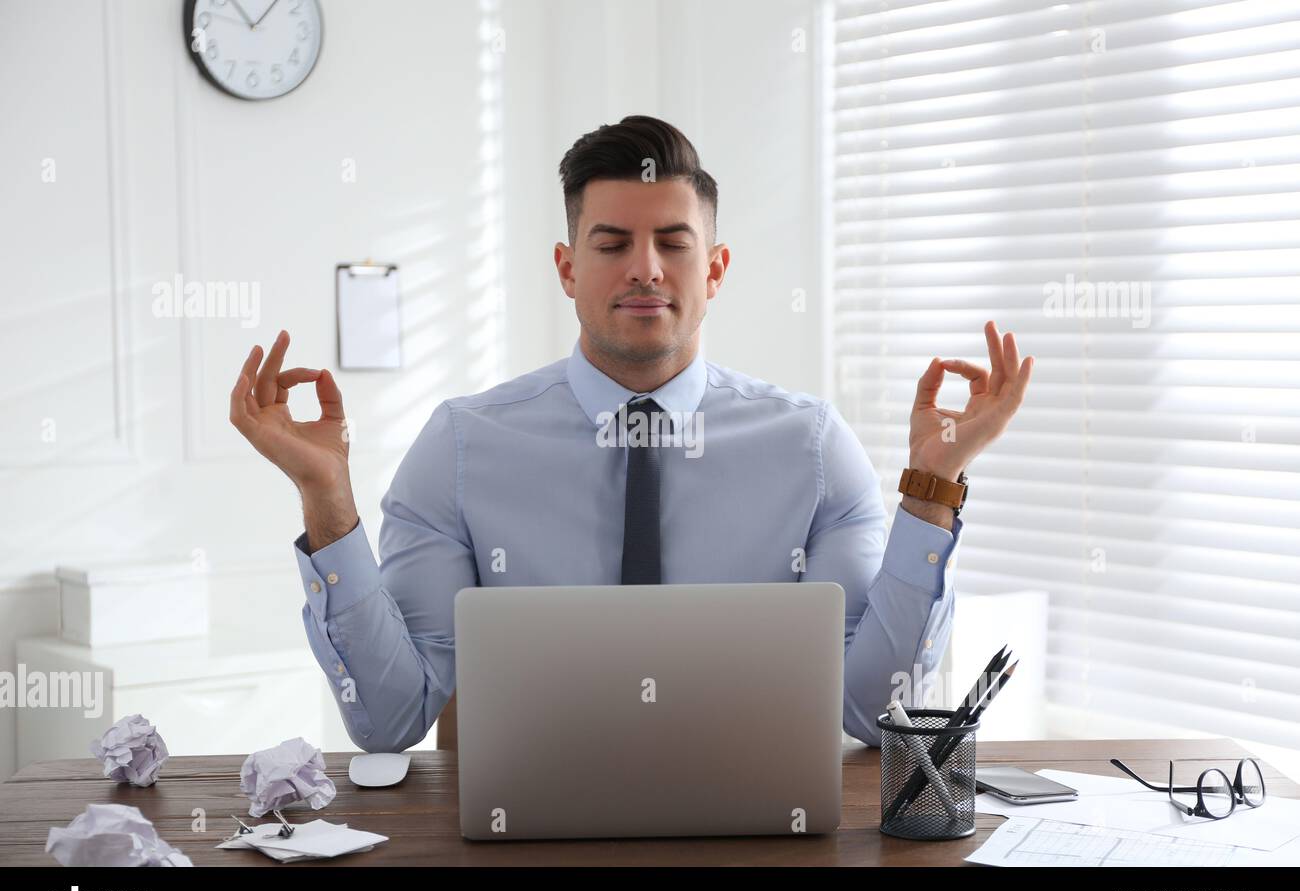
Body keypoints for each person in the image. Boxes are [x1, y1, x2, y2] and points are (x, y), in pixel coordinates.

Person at [229, 115, 1033, 753]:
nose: (644, 268)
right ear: (568, 268)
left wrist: (932, 489)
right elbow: (389, 718)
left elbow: (871, 712)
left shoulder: (813, 450)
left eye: (673, 243)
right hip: (522, 839)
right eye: (611, 243)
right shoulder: (463, 448)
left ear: (713, 270)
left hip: (755, 832)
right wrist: (324, 497)